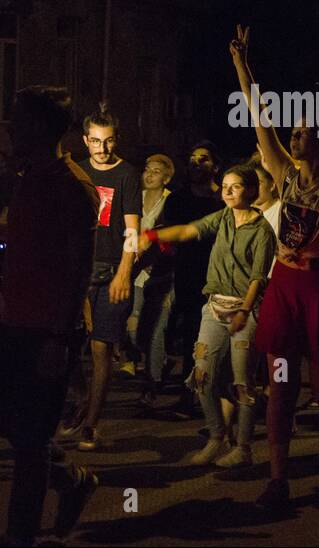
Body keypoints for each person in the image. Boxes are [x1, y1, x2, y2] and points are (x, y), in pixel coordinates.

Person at [230, 26, 319, 509]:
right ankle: (278, 479)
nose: (295, 135)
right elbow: (258, 116)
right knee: (280, 385)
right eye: (294, 130)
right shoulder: (283, 173)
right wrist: (244, 65)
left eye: (305, 130)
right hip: (284, 283)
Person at [0, 86, 99, 546]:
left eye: (19, 119)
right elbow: (22, 230)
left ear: (43, 127)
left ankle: (20, 539)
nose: (11, 127)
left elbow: (79, 267)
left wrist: (59, 337)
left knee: (29, 447)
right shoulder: (29, 176)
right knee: (9, 425)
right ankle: (74, 480)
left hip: (49, 328)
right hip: (16, 322)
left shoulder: (74, 187)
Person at [140, 164, 276, 468]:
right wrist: (151, 235)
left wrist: (244, 311)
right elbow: (190, 230)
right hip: (214, 306)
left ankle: (243, 447)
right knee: (202, 376)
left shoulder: (262, 229)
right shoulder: (223, 217)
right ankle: (216, 438)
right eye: (225, 185)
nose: (226, 191)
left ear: (251, 191)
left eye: (235, 186)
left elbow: (258, 277)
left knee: (243, 383)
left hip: (246, 309)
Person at [67, 109, 141, 452]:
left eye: (108, 140)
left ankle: (91, 425)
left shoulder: (127, 174)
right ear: (85, 140)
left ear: (117, 139)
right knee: (66, 343)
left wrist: (125, 270)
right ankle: (80, 402)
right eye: (95, 141)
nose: (102, 148)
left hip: (111, 269)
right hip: (77, 268)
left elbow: (131, 227)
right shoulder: (77, 171)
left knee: (101, 348)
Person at [161, 142, 224, 420]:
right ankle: (189, 395)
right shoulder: (177, 200)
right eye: (192, 159)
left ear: (215, 166)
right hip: (188, 274)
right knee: (191, 337)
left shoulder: (224, 200)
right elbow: (173, 236)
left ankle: (218, 398)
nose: (197, 164)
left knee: (219, 339)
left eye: (204, 159)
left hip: (220, 276)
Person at [129, 153, 176, 408]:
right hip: (135, 271)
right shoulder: (136, 198)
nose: (149, 174)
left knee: (156, 327)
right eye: (147, 169)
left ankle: (150, 383)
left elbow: (171, 237)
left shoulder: (171, 202)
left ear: (166, 177)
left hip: (161, 271)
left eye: (156, 171)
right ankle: (162, 361)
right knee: (134, 328)